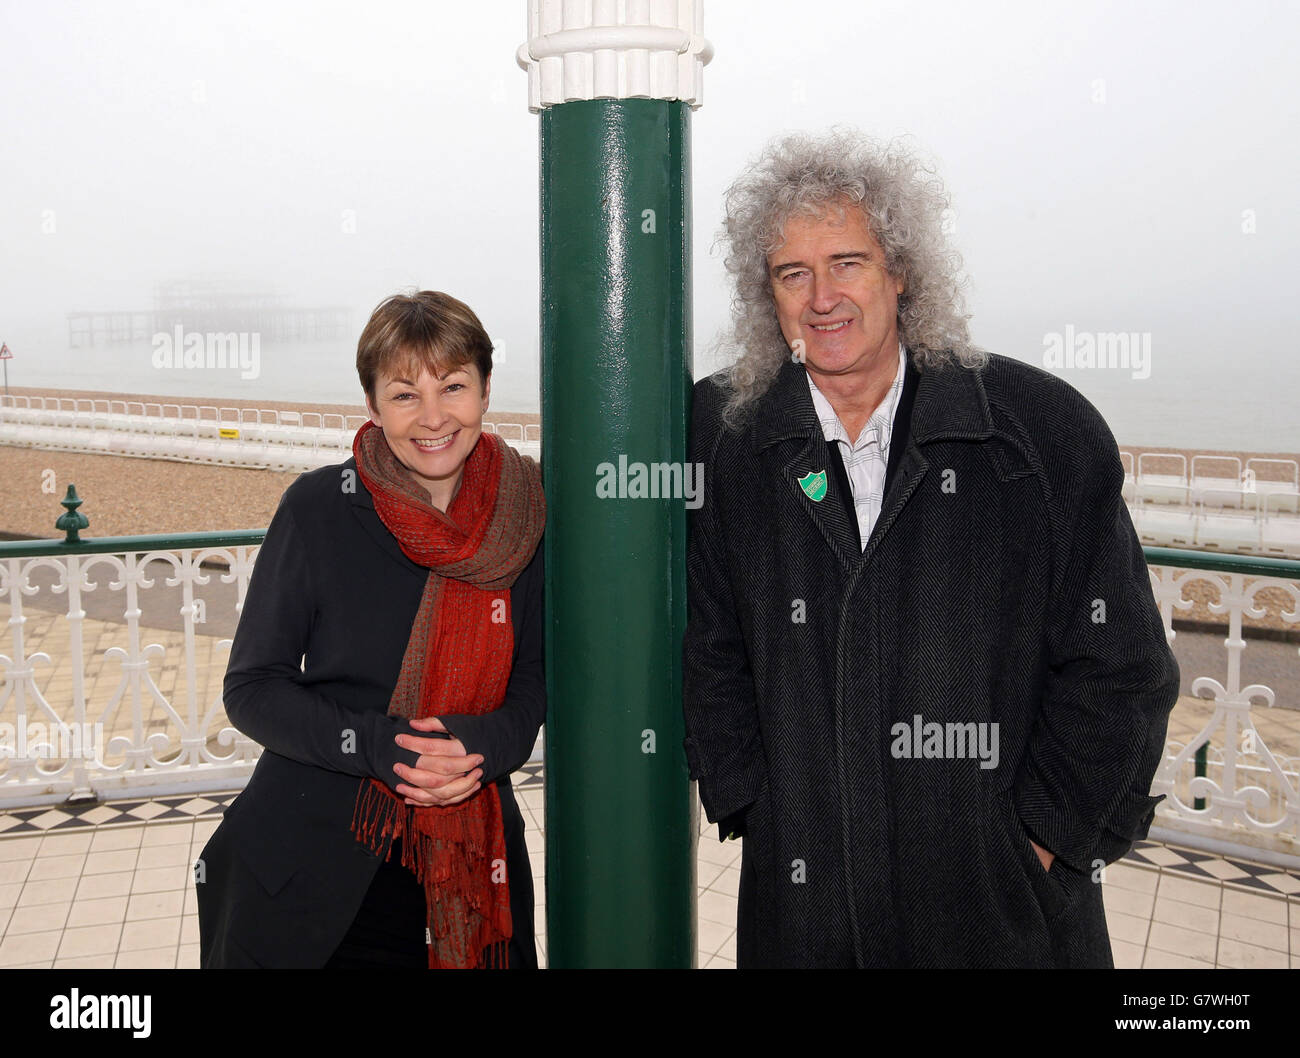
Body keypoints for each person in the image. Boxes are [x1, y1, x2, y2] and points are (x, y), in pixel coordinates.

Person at [681, 129, 1180, 968]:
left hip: (1000, 925)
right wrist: (758, 803)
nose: (821, 297)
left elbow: (1124, 670)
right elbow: (709, 640)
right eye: (790, 273)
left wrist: (1038, 849)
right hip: (805, 918)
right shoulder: (725, 433)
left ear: (900, 272)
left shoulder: (1038, 432)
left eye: (848, 263)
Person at [197, 290, 546, 968]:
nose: (434, 416)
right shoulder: (321, 509)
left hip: (473, 855)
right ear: (372, 405)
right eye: (404, 395)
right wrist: (383, 747)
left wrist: (475, 748)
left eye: (453, 386)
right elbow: (253, 688)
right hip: (315, 858)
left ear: (485, 390)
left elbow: (533, 681)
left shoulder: (524, 513)